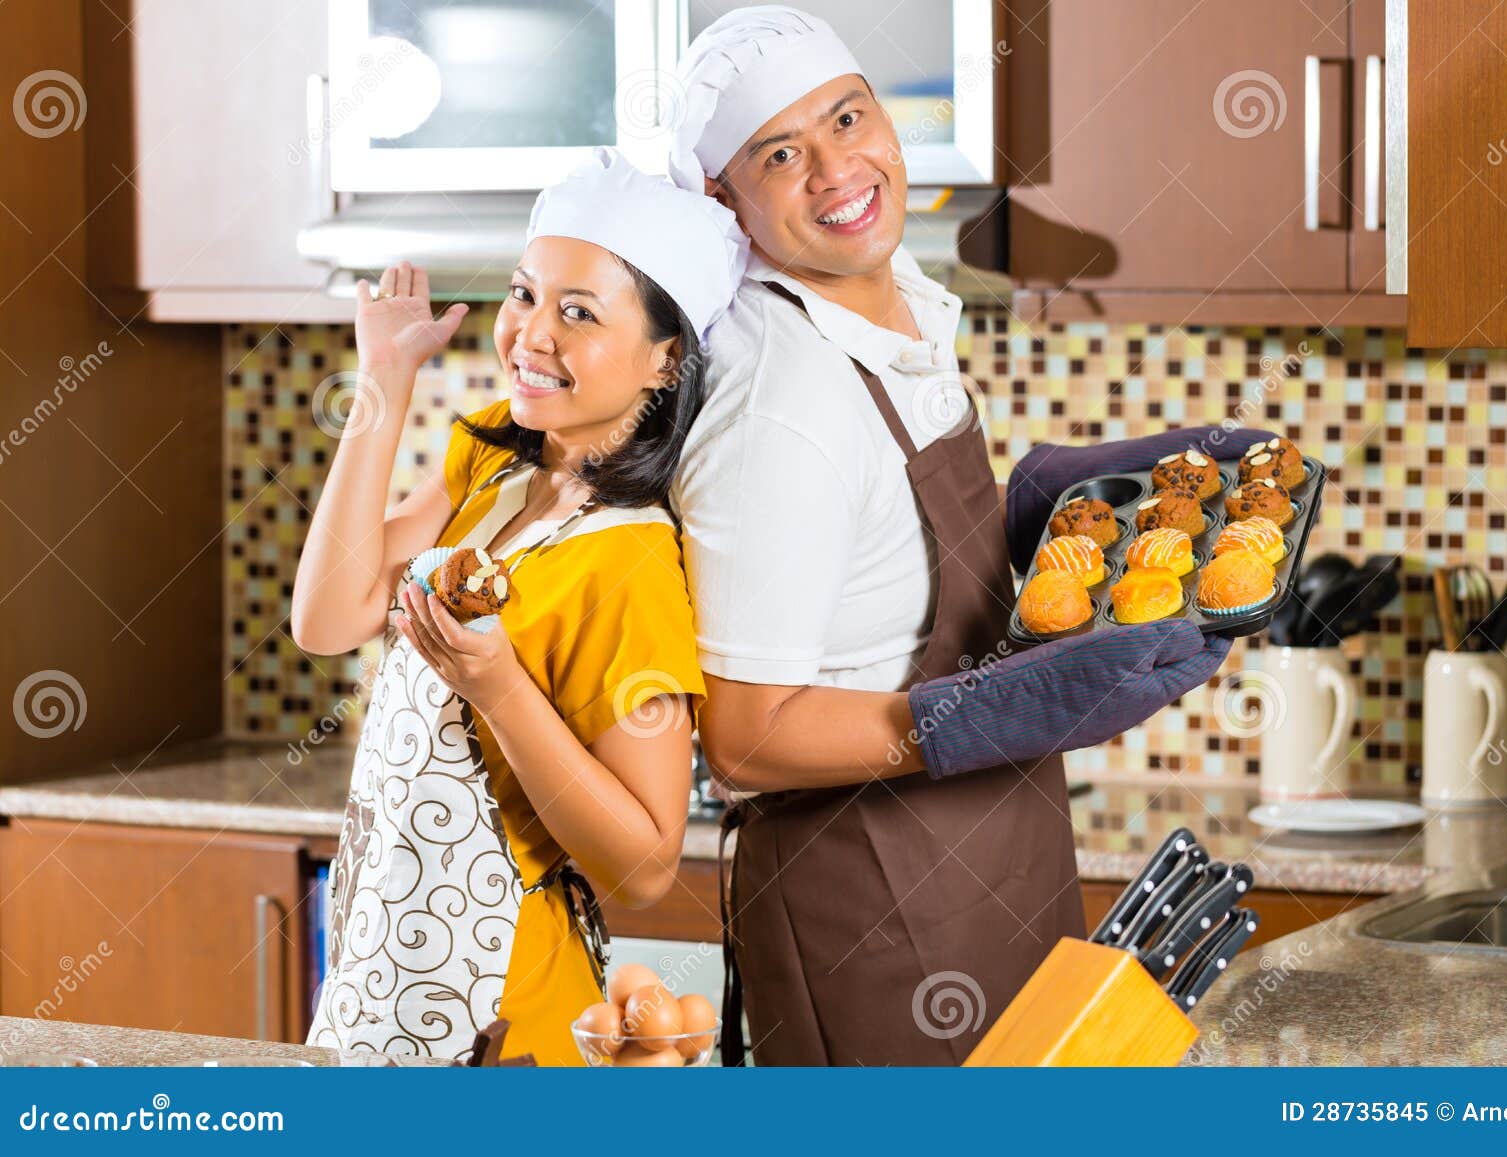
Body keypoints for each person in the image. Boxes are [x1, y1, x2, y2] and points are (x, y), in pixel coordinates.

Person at [666, 6, 1271, 1066]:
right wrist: (964, 719)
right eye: (780, 154)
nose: (836, 169)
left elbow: (884, 569)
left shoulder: (886, 304)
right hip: (869, 901)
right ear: (727, 200)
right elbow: (745, 735)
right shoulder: (780, 404)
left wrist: (1041, 508)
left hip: (996, 856)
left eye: (847, 118)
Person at [292, 150, 747, 1062]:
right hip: (375, 977)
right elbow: (328, 618)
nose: (530, 335)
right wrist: (383, 378)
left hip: (501, 1020)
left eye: (577, 312)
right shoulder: (492, 474)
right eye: (524, 294)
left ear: (665, 358)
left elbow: (649, 862)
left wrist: (498, 685)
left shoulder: (631, 562)